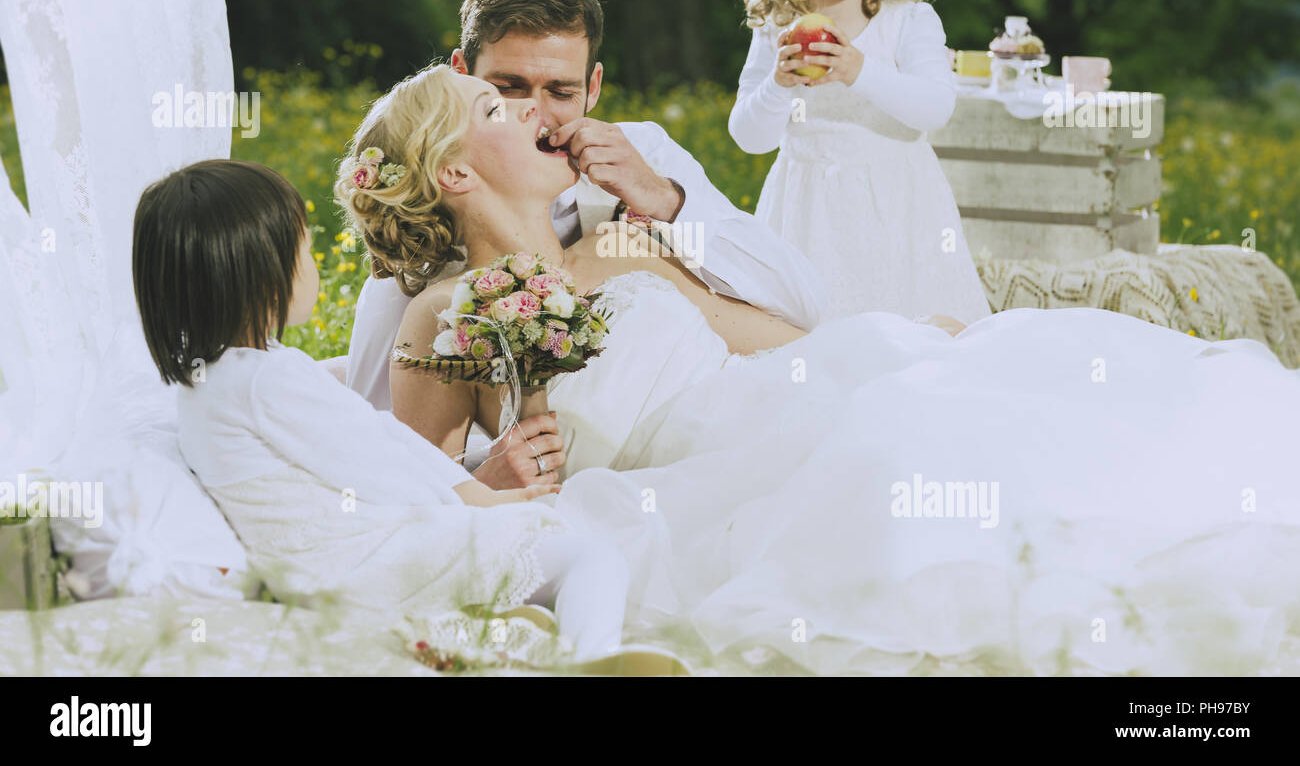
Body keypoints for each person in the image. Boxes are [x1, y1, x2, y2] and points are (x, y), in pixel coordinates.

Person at [337, 61, 1300, 675]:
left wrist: (905, 352)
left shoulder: (621, 240)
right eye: (493, 106)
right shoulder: (441, 314)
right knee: (897, 483)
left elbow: (753, 336)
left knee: (957, 413)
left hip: (781, 408)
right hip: (697, 486)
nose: (531, 112)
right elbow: (407, 495)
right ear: (455, 172)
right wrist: (488, 476)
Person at [130, 157, 686, 673]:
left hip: (323, 565)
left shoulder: (213, 380)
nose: (312, 262)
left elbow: (365, 442)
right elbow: (375, 460)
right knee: (590, 556)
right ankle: (592, 661)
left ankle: (510, 631)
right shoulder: (263, 379)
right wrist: (479, 503)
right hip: (357, 565)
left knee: (544, 546)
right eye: (303, 247)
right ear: (257, 271)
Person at [345, 0, 832, 489]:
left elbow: (803, 322)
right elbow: (387, 449)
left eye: (560, 91)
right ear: (462, 75)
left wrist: (662, 198)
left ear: (592, 86)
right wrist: (485, 479)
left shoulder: (635, 178)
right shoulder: (434, 301)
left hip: (782, 431)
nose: (537, 112)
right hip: (674, 499)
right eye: (504, 92)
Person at [729, 0, 991, 325]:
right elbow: (750, 137)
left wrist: (859, 70)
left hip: (900, 205)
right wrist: (779, 84)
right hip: (809, 212)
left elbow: (935, 107)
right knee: (818, 337)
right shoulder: (778, 31)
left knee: (915, 333)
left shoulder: (907, 21)